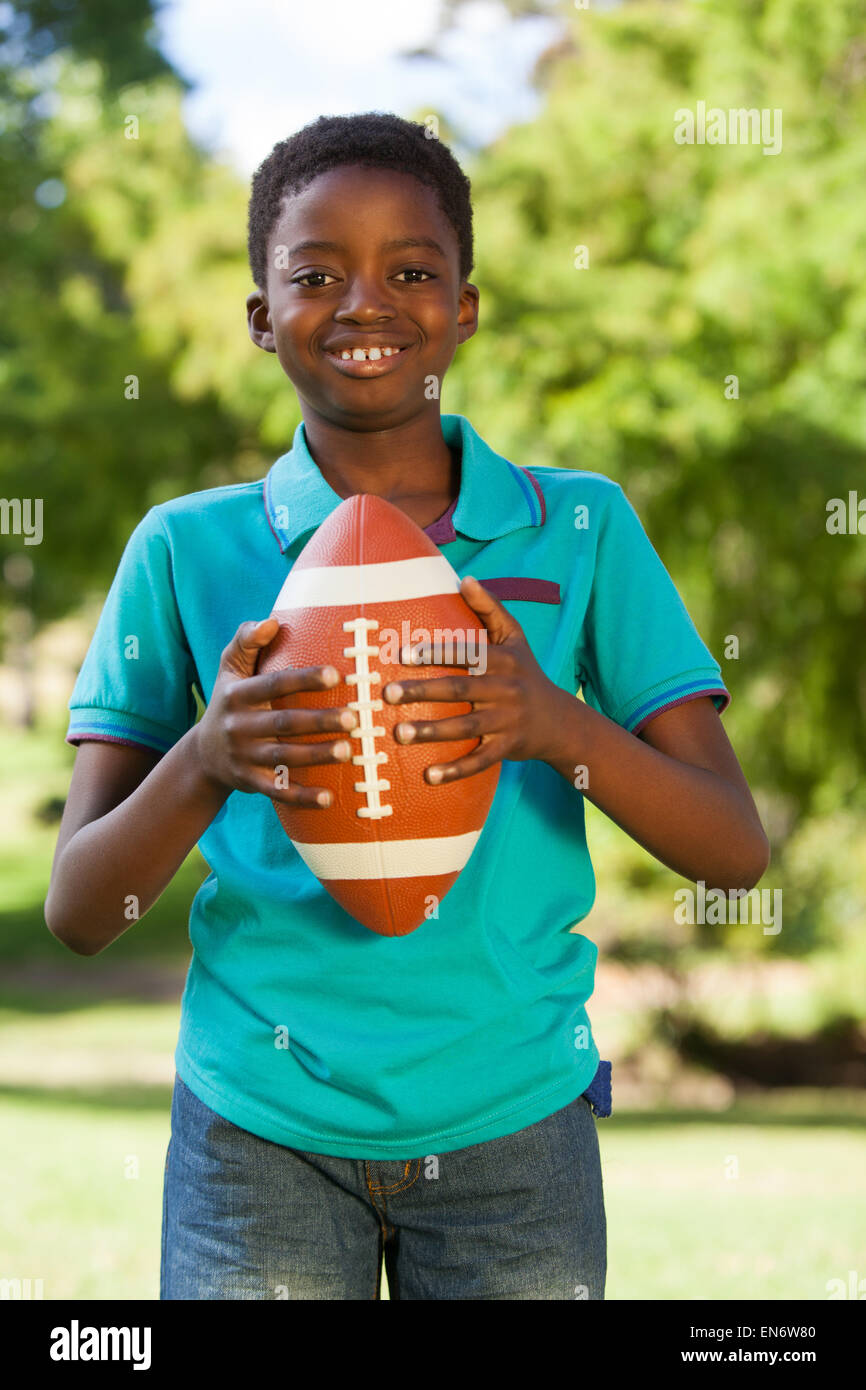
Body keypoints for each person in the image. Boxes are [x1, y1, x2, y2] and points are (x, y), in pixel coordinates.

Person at [45, 113, 769, 1301]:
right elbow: (82, 909)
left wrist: (555, 726)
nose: (364, 304)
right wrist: (207, 757)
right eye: (315, 274)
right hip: (257, 1124)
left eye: (412, 272)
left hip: (511, 1118)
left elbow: (732, 851)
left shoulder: (577, 526)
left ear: (465, 308)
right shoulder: (183, 548)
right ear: (260, 316)